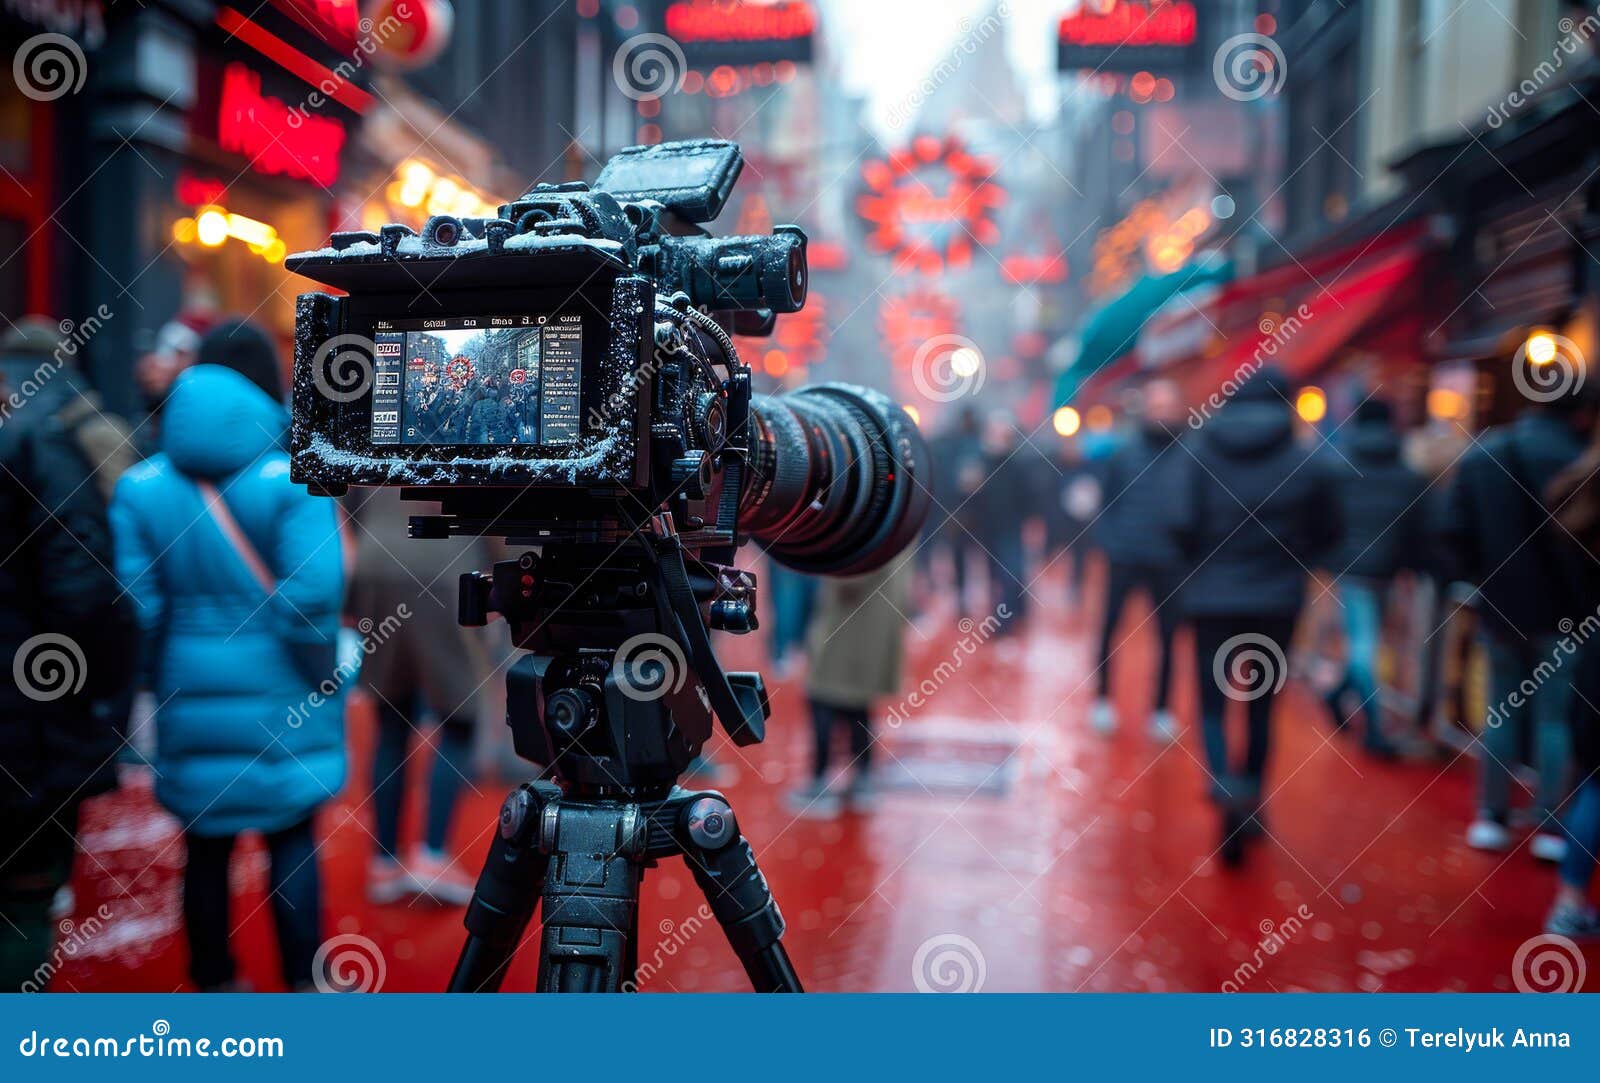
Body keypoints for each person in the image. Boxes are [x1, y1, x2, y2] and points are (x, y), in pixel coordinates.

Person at [111, 320, 346, 990]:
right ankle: (305, 984)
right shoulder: (295, 478)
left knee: (205, 844)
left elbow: (140, 607)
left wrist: (160, 679)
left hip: (187, 684)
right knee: (291, 834)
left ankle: (214, 984)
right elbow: (313, 597)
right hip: (285, 687)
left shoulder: (142, 485)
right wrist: (320, 671)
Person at [0, 319, 135, 989]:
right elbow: (86, 588)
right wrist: (99, 690)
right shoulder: (56, 437)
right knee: (23, 892)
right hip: (28, 709)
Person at [1171, 366, 1341, 863]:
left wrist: (1200, 565)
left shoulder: (1200, 453)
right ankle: (1250, 794)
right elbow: (1329, 532)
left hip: (1211, 599)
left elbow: (1179, 522)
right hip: (1277, 600)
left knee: (1212, 700)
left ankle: (1224, 779)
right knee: (1262, 703)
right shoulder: (1305, 462)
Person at [1439, 377, 1599, 861]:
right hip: (1569, 614)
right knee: (1555, 720)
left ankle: (1492, 817)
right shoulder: (1583, 460)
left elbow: (1450, 530)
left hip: (1502, 608)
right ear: (1581, 413)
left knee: (1501, 712)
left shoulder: (1486, 454)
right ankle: (1551, 824)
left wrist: (1483, 579)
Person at [347, 486, 492, 906]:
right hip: (447, 570)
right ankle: (432, 856)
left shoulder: (384, 425)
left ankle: (385, 862)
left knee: (390, 718)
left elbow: (351, 505)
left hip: (375, 566)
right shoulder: (476, 428)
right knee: (462, 717)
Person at [1323, 398, 1427, 758]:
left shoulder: (1337, 467)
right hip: (1387, 569)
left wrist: (1328, 555)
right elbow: (1418, 524)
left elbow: (1324, 519)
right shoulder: (1408, 473)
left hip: (1350, 568)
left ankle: (1342, 698)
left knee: (1362, 645)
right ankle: (1373, 726)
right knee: (1367, 644)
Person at [1088, 378, 1188, 741]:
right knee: (1109, 628)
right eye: (1155, 405)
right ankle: (1102, 700)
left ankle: (1161, 710)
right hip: (1126, 555)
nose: (1161, 412)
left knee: (1168, 637)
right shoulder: (1124, 452)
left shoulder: (1191, 452)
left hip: (1170, 560)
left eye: (1167, 405)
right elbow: (1107, 502)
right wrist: (1113, 543)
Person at [786, 555, 912, 818]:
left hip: (851, 615)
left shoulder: (870, 519)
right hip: (874, 615)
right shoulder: (897, 518)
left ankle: (820, 781)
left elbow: (853, 571)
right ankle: (862, 777)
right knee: (857, 699)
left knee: (823, 693)